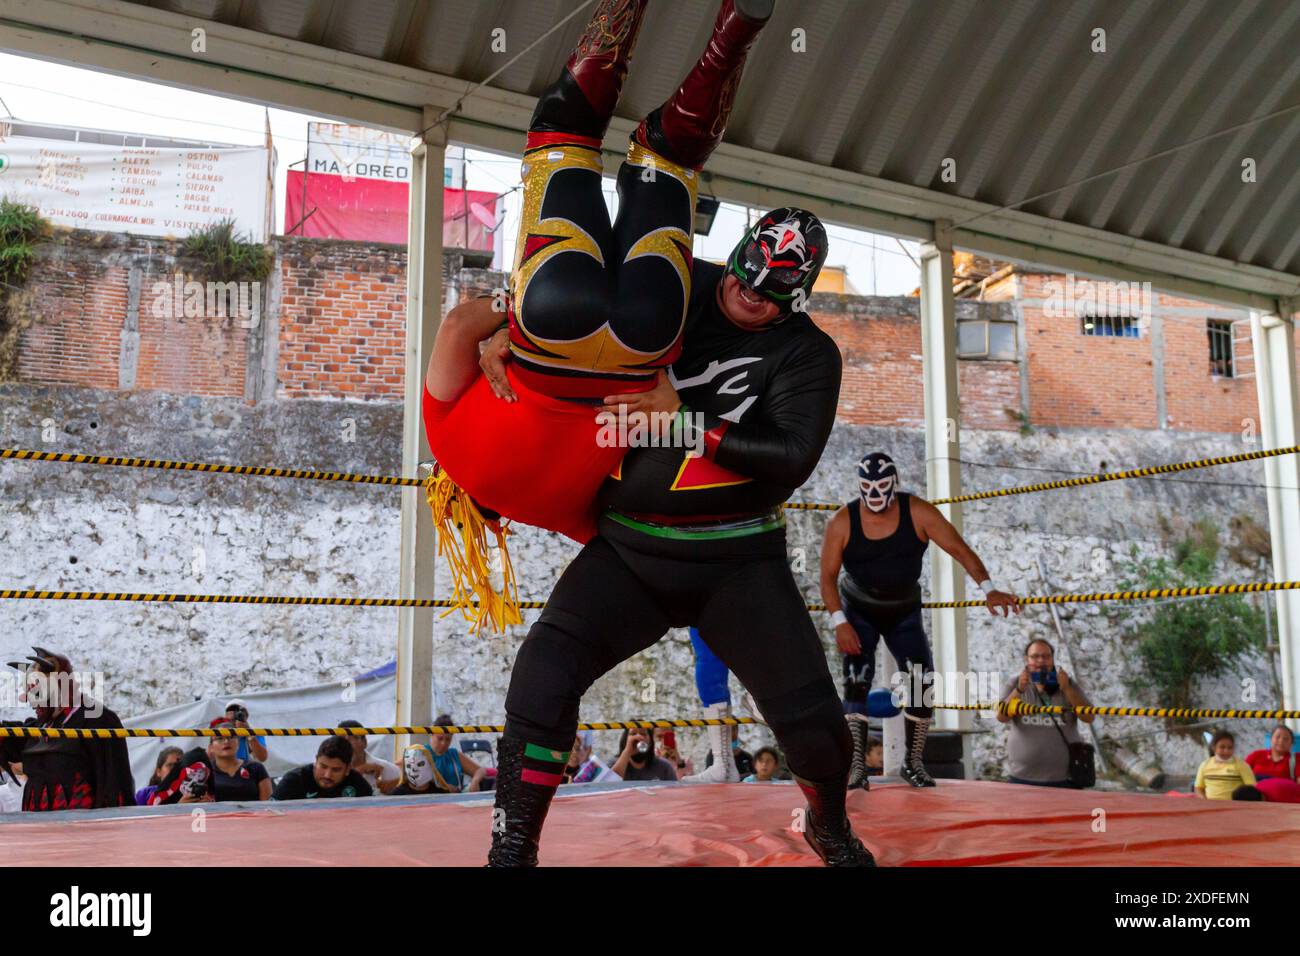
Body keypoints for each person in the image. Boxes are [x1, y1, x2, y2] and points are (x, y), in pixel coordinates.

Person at [422, 0, 750, 632]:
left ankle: (732, 38)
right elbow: (459, 328)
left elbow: (641, 534)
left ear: (495, 520)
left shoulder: (565, 516)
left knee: (672, 165)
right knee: (562, 134)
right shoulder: (446, 443)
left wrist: (682, 419)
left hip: (644, 343)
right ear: (447, 490)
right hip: (548, 323)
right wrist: (508, 313)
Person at [821, 452, 1022, 788]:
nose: (874, 494)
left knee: (921, 682)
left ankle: (912, 762)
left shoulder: (918, 511)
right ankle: (856, 766)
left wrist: (988, 588)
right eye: (867, 487)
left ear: (894, 484)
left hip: (903, 609)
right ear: (858, 486)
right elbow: (827, 576)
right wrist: (839, 621)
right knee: (856, 678)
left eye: (882, 486)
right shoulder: (842, 521)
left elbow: (958, 548)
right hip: (858, 609)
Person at [1, 648, 134, 811]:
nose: (28, 699)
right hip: (38, 829)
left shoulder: (96, 720)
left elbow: (114, 781)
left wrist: (112, 824)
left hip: (82, 827)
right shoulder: (43, 727)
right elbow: (12, 736)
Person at [997, 639, 1093, 787]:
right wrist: (1019, 689)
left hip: (1065, 778)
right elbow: (1001, 717)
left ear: (1052, 659)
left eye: (1046, 656)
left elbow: (1089, 717)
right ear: (1026, 660)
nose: (1041, 660)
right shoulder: (1015, 683)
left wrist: (1067, 689)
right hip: (1022, 777)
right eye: (1035, 656)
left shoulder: (1067, 683)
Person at [151, 720, 272, 804]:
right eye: (219, 738)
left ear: (238, 742)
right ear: (211, 747)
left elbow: (267, 806)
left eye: (231, 737)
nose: (226, 741)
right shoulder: (202, 772)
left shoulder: (256, 768)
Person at [272, 736, 374, 800]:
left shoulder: (357, 783)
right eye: (323, 766)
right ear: (316, 761)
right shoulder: (294, 780)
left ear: (348, 769)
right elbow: (269, 814)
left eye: (336, 770)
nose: (327, 775)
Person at [338, 719, 401, 794]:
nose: (345, 744)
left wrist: (397, 783)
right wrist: (358, 772)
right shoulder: (329, 770)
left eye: (352, 738)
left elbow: (413, 783)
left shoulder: (385, 768)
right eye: (341, 740)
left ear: (364, 742)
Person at [428, 715, 487, 793]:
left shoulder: (453, 754)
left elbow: (480, 770)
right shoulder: (423, 753)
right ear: (432, 735)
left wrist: (475, 781)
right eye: (440, 738)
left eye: (448, 739)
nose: (443, 743)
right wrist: (444, 787)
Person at [1195, 730, 1256, 800]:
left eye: (1230, 747)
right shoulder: (1204, 765)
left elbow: (1251, 788)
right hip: (1210, 806)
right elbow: (1199, 788)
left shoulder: (1242, 765)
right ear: (1214, 747)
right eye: (1222, 747)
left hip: (1234, 807)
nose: (1226, 751)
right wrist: (1204, 801)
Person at [610, 726, 678, 782]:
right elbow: (608, 787)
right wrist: (627, 752)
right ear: (625, 741)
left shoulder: (664, 766)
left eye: (643, 734)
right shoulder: (614, 764)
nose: (638, 737)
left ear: (650, 742)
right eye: (633, 734)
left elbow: (674, 792)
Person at [224, 699, 267, 764]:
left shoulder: (255, 733)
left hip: (247, 770)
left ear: (246, 715)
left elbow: (262, 757)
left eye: (239, 711)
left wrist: (248, 734)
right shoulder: (221, 734)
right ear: (226, 715)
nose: (235, 713)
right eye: (231, 710)